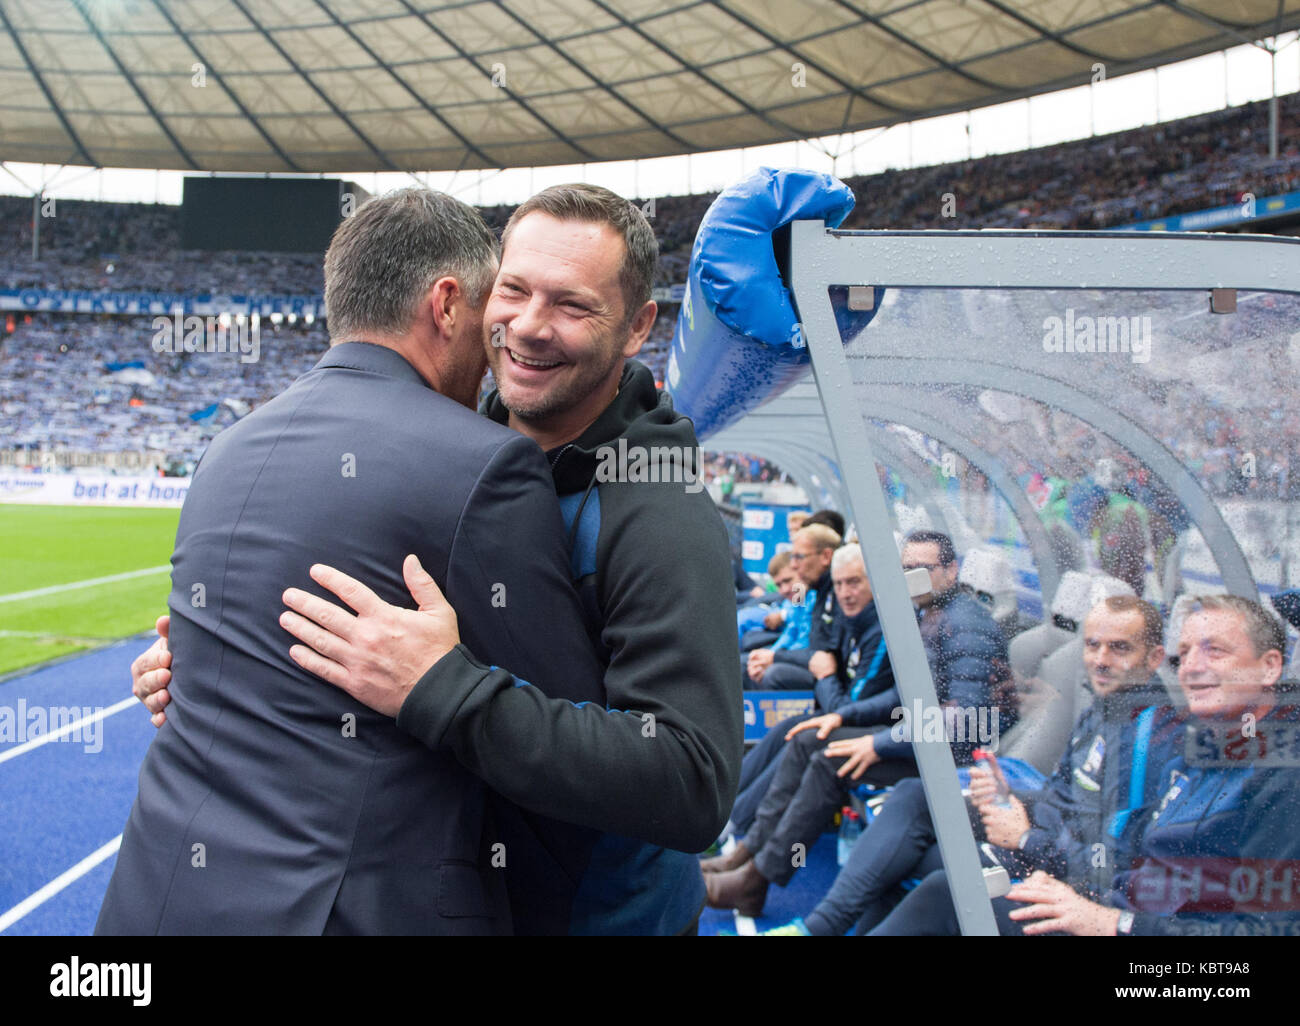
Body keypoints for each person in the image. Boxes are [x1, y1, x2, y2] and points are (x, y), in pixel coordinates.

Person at [130, 184, 743, 935]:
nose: (529, 325)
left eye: (573, 306)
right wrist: (213, 664)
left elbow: (692, 783)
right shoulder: (460, 455)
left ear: (638, 327)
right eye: (513, 291)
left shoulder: (659, 511)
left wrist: (446, 689)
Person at [871, 594, 1300, 936]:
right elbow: (1150, 869)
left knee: (946, 893)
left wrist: (1107, 919)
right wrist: (1082, 898)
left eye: (1215, 651)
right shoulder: (1206, 751)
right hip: (1110, 906)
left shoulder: (1281, 781)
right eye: (1184, 654)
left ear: (1269, 667)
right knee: (932, 877)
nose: (1192, 667)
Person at [773, 594, 1170, 935]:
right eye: (1093, 645)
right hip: (1049, 842)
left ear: (1153, 658)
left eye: (1119, 648)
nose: (1100, 660)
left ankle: (817, 925)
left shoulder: (1147, 742)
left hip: (1070, 885)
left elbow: (1108, 868)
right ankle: (820, 925)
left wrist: (1026, 838)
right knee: (915, 808)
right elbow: (1064, 798)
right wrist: (1009, 797)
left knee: (941, 887)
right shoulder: (1103, 707)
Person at [704, 530, 1015, 916]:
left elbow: (963, 722)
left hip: (951, 761)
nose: (912, 578)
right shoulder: (929, 614)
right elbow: (904, 698)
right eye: (905, 570)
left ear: (951, 572)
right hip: (919, 742)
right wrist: (843, 716)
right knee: (810, 739)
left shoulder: (966, 624)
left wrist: (879, 744)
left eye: (923, 569)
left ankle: (755, 880)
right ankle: (749, 858)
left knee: (831, 758)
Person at [745, 524, 841, 689]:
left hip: (825, 671)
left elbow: (807, 641)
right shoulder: (808, 591)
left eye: (799, 557)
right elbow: (793, 629)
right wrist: (773, 653)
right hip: (807, 657)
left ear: (826, 556)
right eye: (778, 585)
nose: (795, 565)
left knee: (771, 673)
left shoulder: (809, 591)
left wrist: (775, 656)